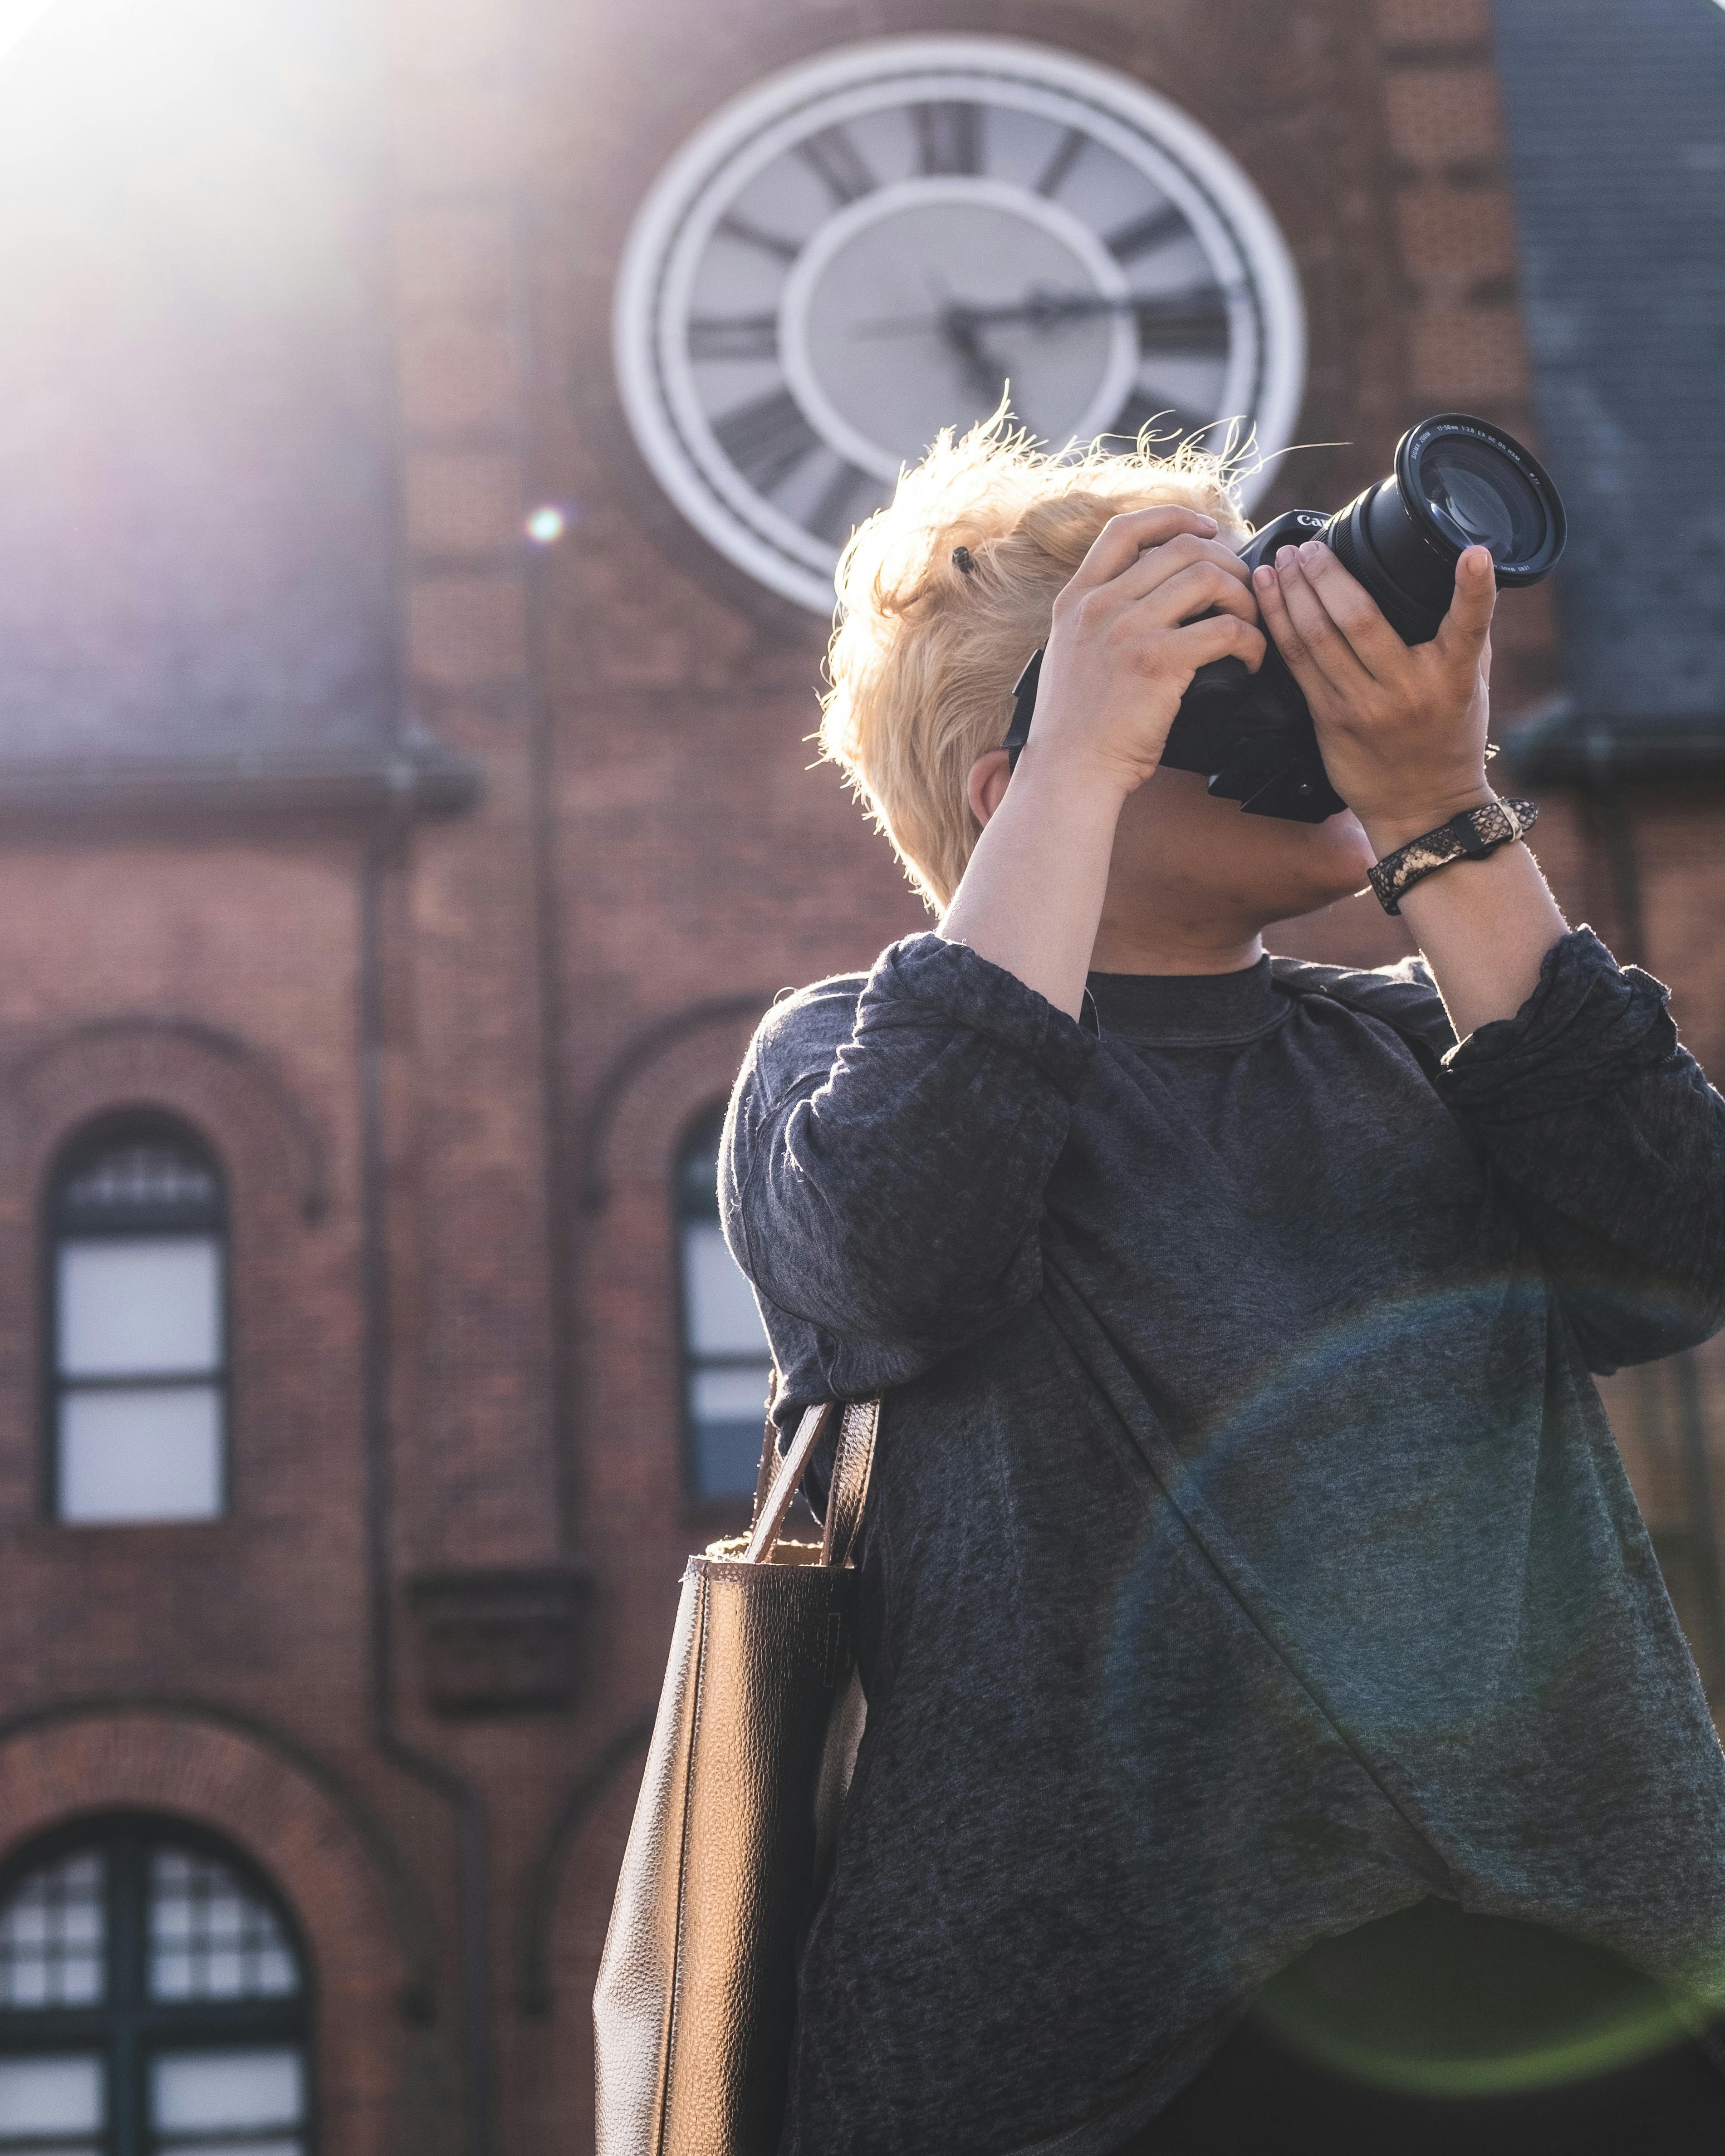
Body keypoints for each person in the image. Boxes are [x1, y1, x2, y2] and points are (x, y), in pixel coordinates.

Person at [719, 420, 1725, 2155]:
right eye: (1226, 672)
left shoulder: (1431, 1047)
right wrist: (1074, 766)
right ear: (1020, 776)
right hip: (1102, 2048)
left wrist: (1434, 810)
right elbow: (904, 1238)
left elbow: (1676, 1248)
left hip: (1564, 2001)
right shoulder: (845, 1064)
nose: (1308, 703)